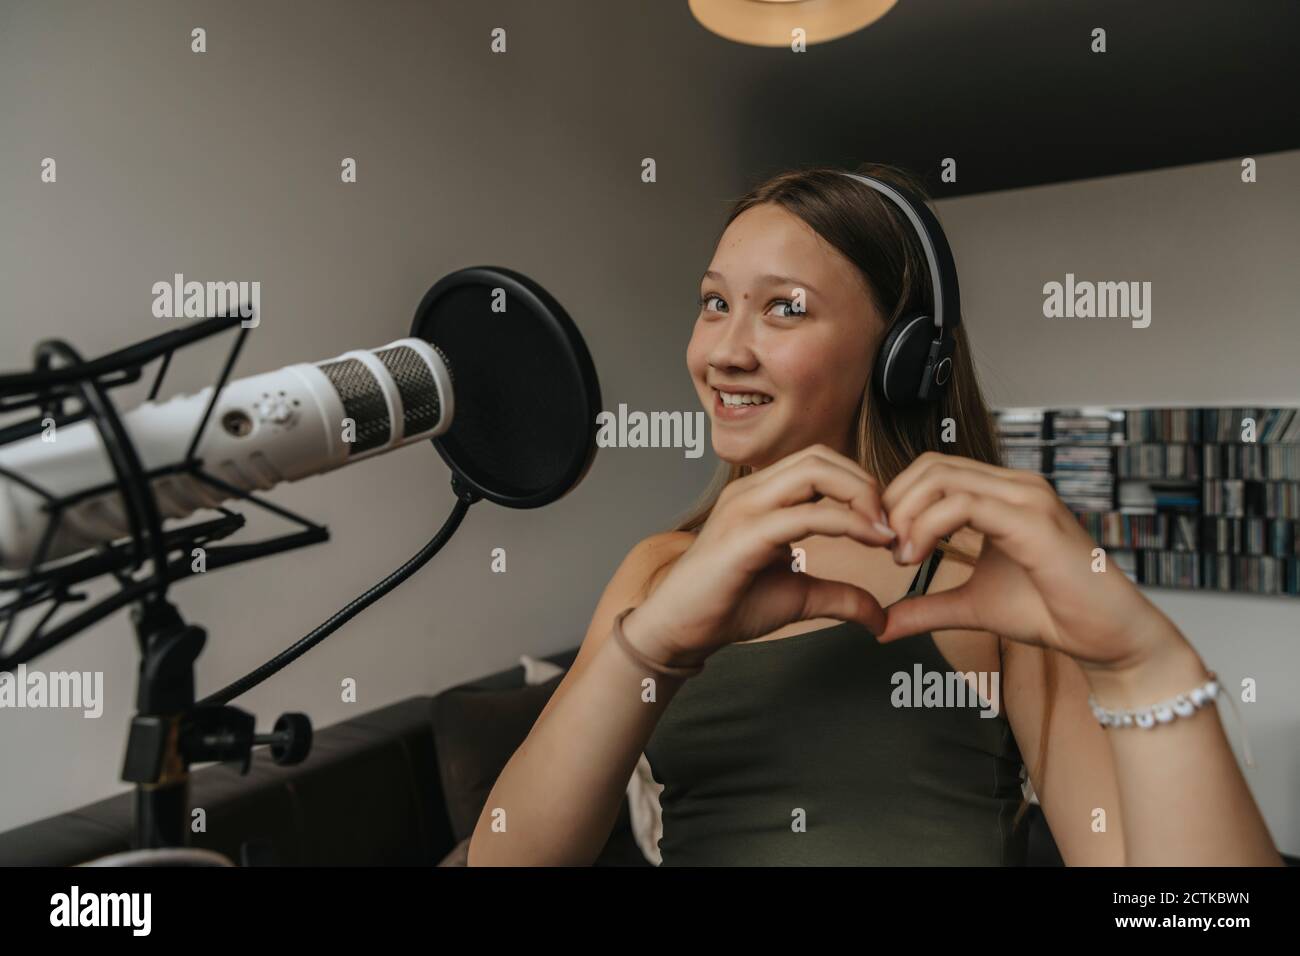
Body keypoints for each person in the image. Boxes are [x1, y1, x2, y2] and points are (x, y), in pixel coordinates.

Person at [466, 163, 1282, 866]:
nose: (723, 351)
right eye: (714, 303)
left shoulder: (980, 576)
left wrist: (1142, 664)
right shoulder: (657, 570)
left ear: (902, 354)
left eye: (784, 307)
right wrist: (652, 646)